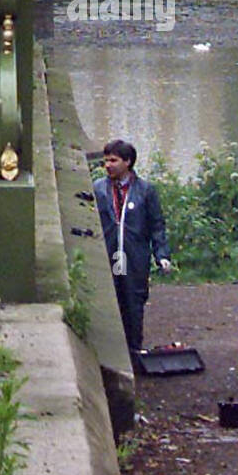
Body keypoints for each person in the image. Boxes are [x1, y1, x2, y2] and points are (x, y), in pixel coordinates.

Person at [93, 139, 171, 354]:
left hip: (134, 258)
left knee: (133, 303)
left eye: (113, 160)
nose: (108, 165)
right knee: (109, 301)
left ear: (127, 162)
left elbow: (157, 225)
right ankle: (109, 351)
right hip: (107, 254)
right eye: (106, 161)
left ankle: (134, 350)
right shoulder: (98, 189)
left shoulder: (145, 191)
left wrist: (161, 255)